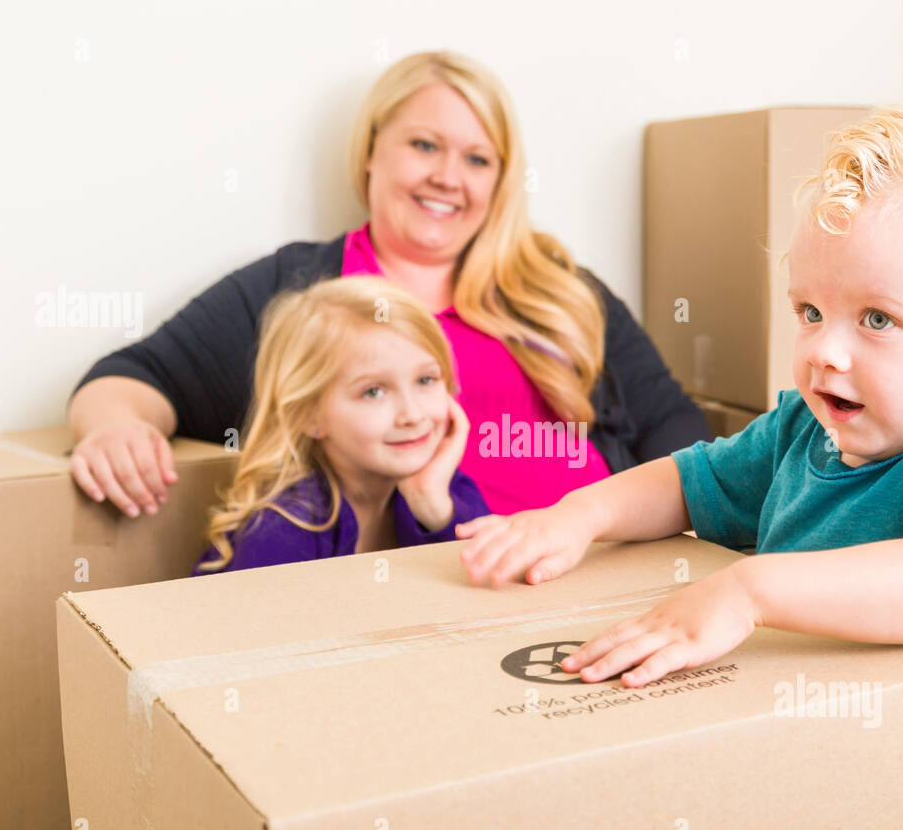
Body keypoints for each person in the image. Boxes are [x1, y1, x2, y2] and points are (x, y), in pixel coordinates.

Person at [455, 98, 903, 830]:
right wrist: (578, 514)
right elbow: (689, 479)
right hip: (813, 775)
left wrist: (751, 590)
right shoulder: (802, 429)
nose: (825, 350)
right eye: (810, 312)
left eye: (876, 319)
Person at [66, 50, 709, 520]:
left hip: (600, 573)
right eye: (425, 146)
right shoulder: (299, 292)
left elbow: (670, 425)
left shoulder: (563, 291)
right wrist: (116, 427)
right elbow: (132, 376)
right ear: (372, 151)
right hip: (419, 597)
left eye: (477, 159)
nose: (448, 177)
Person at [191, 276, 488, 574]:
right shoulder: (282, 530)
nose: (412, 415)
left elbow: (488, 590)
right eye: (373, 391)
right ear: (308, 415)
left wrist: (434, 508)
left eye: (426, 380)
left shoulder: (446, 488)